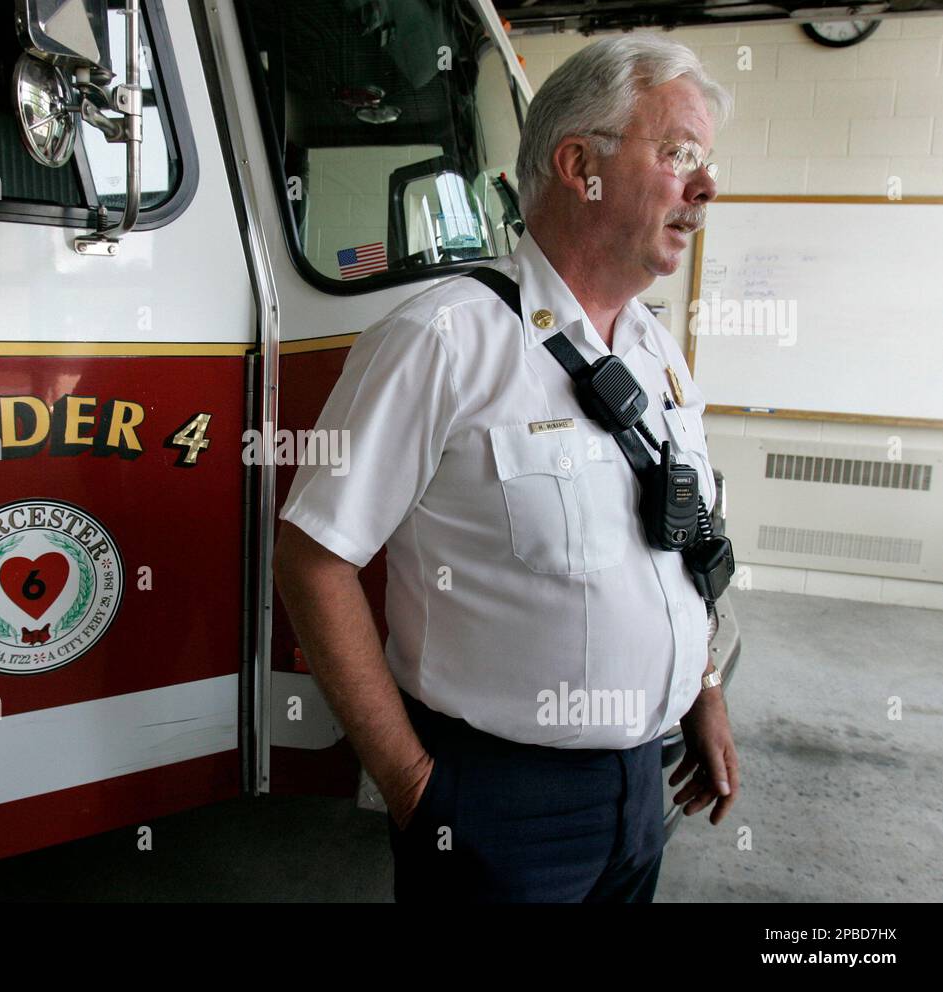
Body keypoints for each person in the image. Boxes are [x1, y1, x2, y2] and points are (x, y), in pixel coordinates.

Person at [272, 33, 740, 903]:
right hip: (494, 805)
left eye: (704, 161)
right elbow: (312, 559)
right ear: (578, 163)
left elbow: (679, 543)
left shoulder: (653, 352)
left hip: (643, 786)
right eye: (678, 154)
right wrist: (413, 785)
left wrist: (703, 691)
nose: (705, 186)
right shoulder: (441, 341)